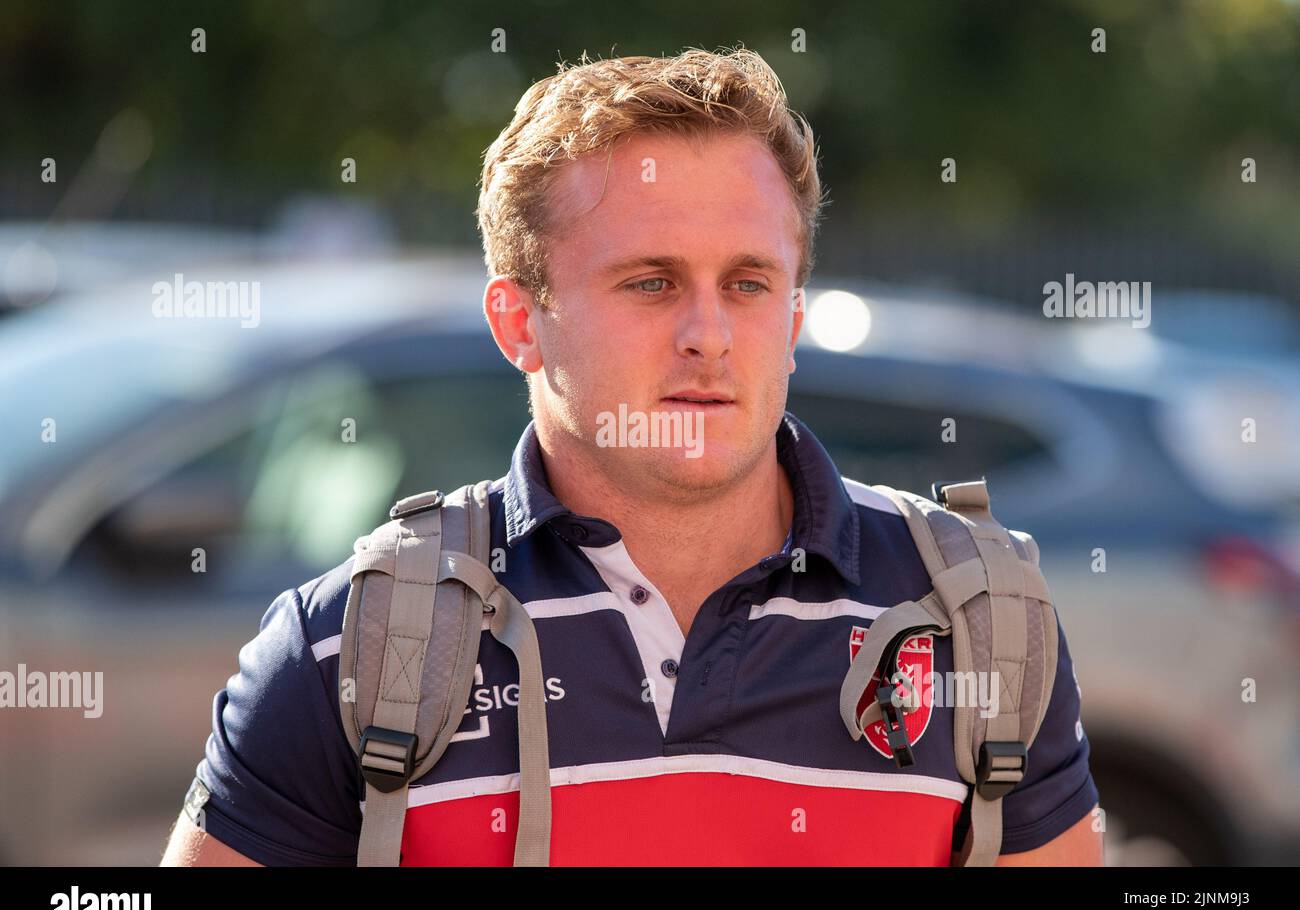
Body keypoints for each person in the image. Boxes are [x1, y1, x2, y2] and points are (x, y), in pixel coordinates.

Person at [161, 47, 1101, 866]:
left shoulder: (984, 621)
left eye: (748, 283)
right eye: (650, 282)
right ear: (518, 321)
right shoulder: (350, 646)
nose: (709, 333)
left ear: (794, 319)